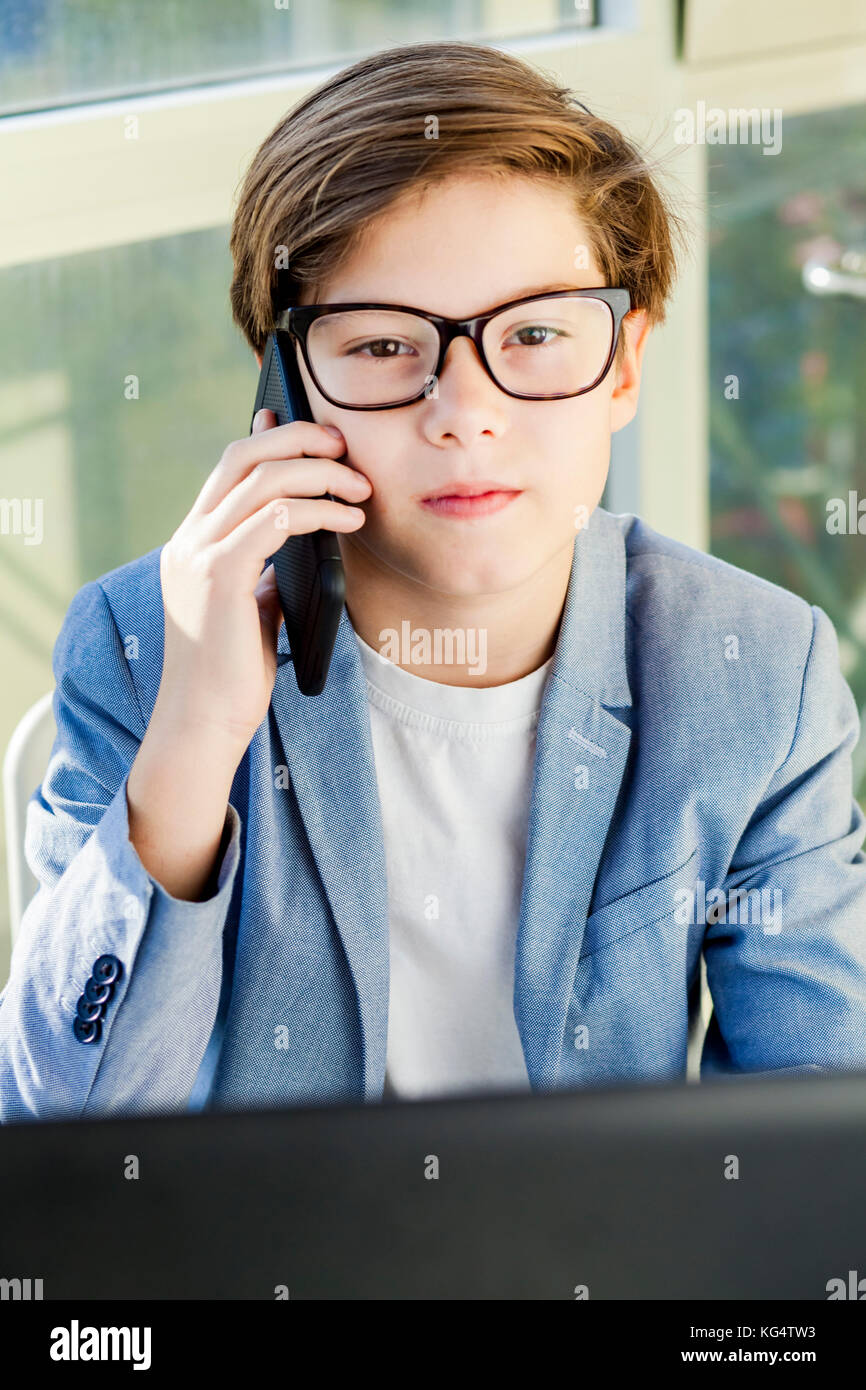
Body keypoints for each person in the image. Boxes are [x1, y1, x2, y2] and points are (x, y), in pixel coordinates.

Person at [2, 40, 864, 1125]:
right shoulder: (141, 644)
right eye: (380, 347)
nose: (462, 410)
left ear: (625, 364)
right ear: (284, 386)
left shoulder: (753, 670)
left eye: (536, 333)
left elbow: (816, 1129)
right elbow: (60, 1135)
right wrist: (190, 743)